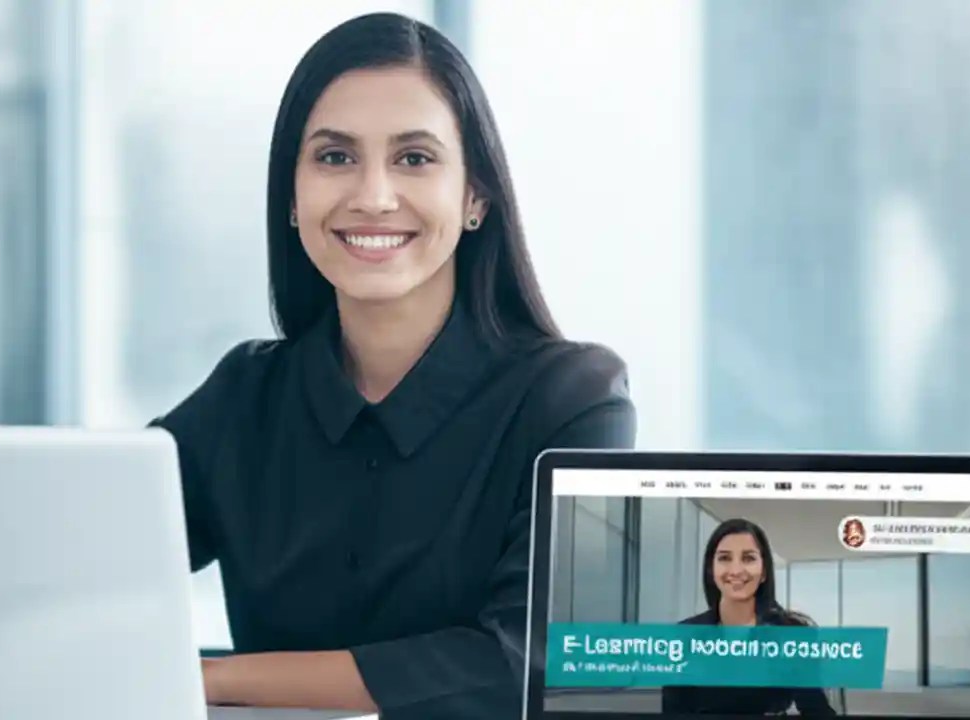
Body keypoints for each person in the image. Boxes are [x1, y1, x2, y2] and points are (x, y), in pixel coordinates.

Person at [149, 12, 636, 719]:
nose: (373, 195)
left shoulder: (575, 400)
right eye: (335, 157)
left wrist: (216, 680)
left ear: (476, 197)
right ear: (291, 196)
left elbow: (524, 667)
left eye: (414, 158)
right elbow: (100, 560)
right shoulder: (244, 398)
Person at [661, 518, 838, 716]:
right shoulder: (683, 636)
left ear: (763, 572)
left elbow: (817, 711)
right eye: (725, 558)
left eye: (748, 558)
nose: (736, 570)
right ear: (711, 570)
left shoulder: (792, 634)